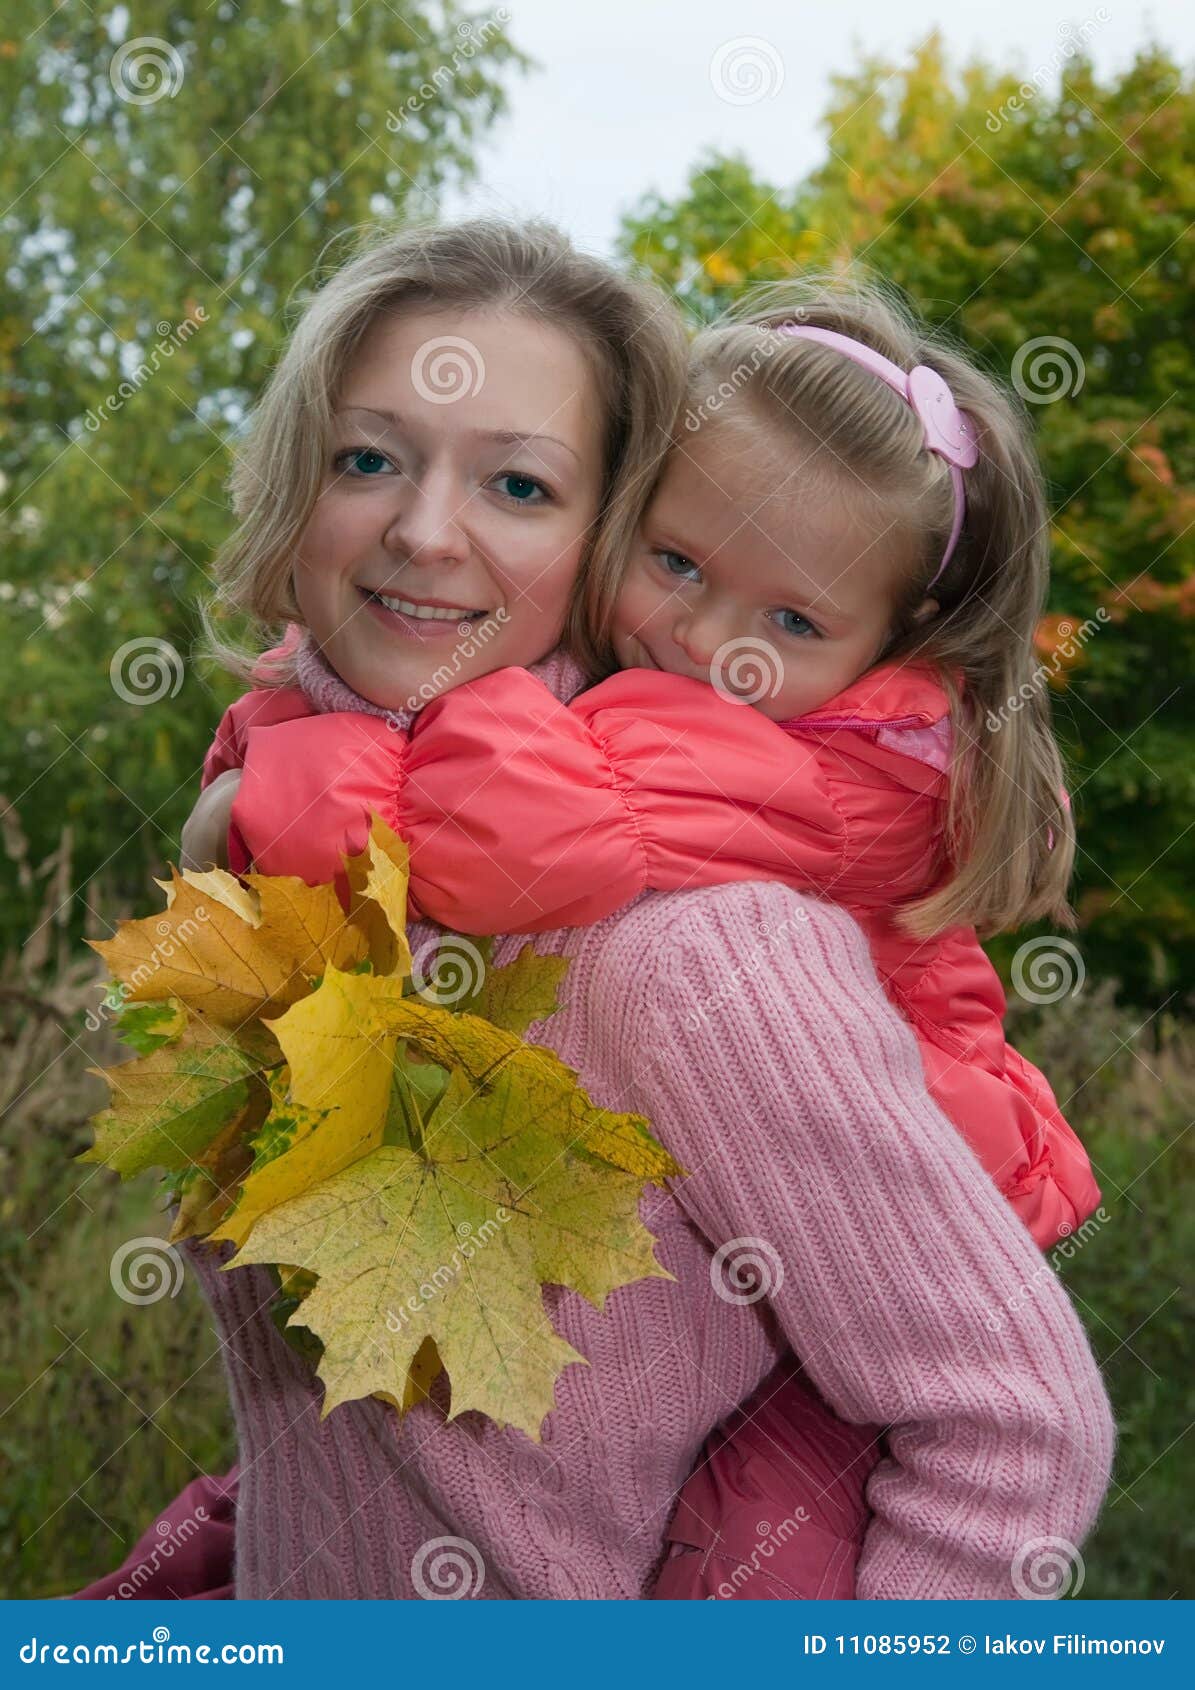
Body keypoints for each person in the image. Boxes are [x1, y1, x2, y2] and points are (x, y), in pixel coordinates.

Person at [78, 225, 1114, 1601]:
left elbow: (1013, 1427)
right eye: (368, 456)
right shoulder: (309, 876)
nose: (423, 531)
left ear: (605, 512)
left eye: (518, 480)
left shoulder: (696, 951)